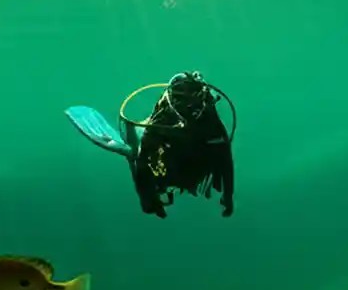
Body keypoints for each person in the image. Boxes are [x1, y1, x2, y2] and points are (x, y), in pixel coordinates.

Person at [65, 70, 235, 218]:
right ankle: (134, 141)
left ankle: (136, 146)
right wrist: (149, 199)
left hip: (187, 165)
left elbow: (225, 160)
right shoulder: (166, 120)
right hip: (169, 162)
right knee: (139, 155)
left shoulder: (208, 122)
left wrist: (227, 196)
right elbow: (143, 159)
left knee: (141, 155)